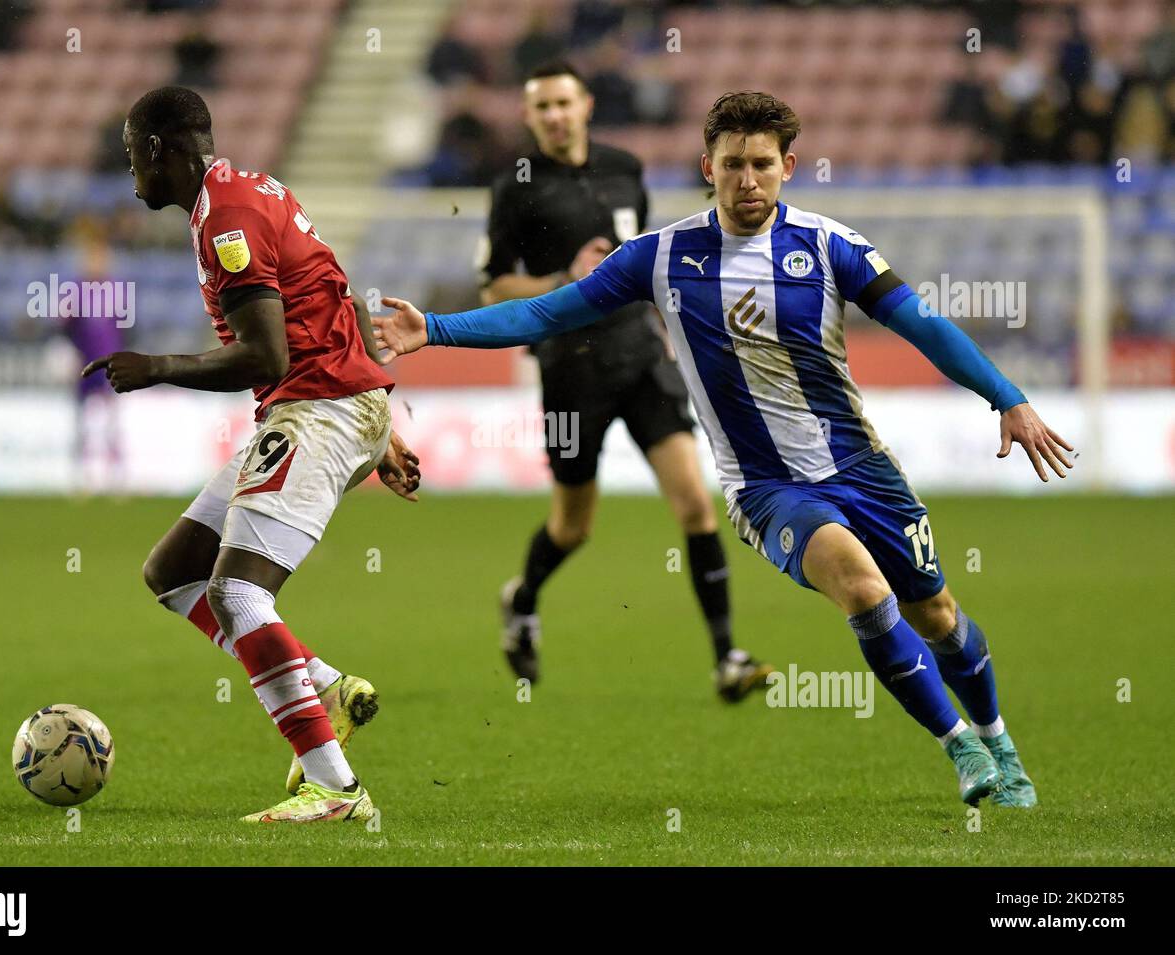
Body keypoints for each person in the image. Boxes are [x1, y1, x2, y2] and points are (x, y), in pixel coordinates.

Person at [373, 91, 1075, 807]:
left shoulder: (831, 247)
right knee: (864, 591)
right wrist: (433, 326)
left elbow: (923, 327)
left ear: (789, 167)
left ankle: (998, 740)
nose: (748, 181)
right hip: (767, 489)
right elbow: (548, 312)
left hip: (864, 470)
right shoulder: (660, 257)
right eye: (733, 164)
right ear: (707, 166)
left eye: (762, 165)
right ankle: (959, 746)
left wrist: (1007, 397)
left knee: (939, 617)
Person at [84, 86, 421, 823]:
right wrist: (381, 420)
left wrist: (161, 367)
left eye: (129, 155)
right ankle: (321, 682)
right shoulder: (249, 188)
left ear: (155, 149)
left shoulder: (227, 219)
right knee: (174, 573)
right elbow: (341, 291)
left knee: (238, 595)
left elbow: (264, 354)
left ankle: (334, 786)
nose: (129, 174)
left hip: (316, 409)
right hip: (333, 402)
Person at [482, 62, 770, 700]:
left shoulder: (624, 168)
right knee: (573, 527)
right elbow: (495, 285)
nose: (555, 115)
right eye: (542, 107)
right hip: (569, 366)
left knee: (696, 504)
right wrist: (566, 283)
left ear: (585, 105)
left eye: (564, 102)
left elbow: (641, 260)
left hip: (639, 355)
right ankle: (522, 601)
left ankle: (727, 657)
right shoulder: (515, 187)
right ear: (530, 118)